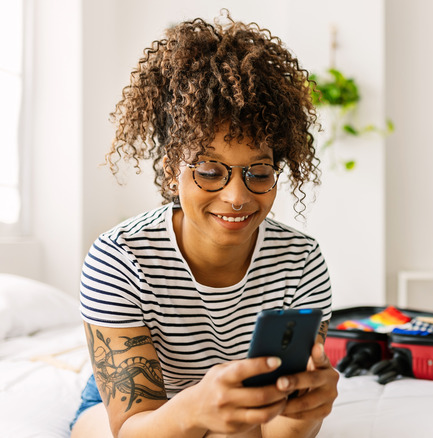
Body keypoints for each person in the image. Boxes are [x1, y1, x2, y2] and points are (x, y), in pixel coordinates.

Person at [70, 11, 338, 438]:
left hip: (240, 405)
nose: (237, 196)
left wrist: (305, 412)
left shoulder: (300, 261)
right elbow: (130, 426)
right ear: (172, 166)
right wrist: (194, 409)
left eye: (259, 172)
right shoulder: (121, 259)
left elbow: (280, 432)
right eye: (210, 171)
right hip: (137, 409)